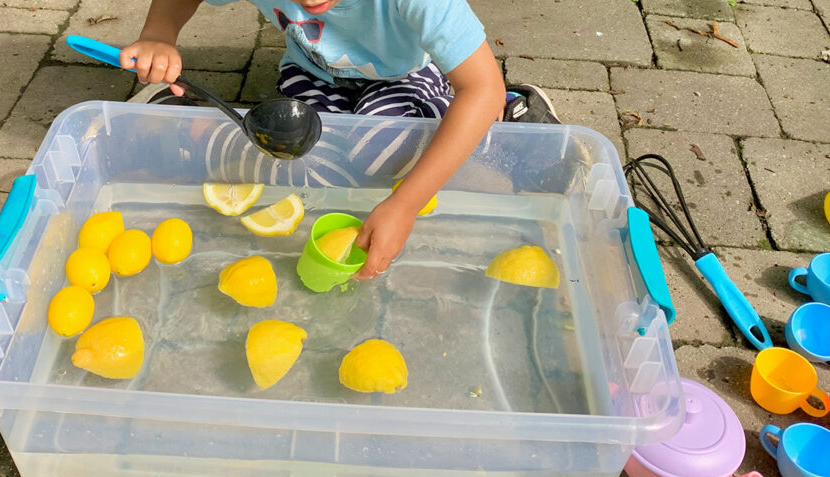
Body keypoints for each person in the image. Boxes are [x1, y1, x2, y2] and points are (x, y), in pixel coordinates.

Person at [121, 0, 560, 280]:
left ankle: (516, 122)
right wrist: (160, 35)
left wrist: (404, 204)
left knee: (379, 150)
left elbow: (480, 88)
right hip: (311, 73)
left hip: (405, 76)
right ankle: (187, 123)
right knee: (297, 158)